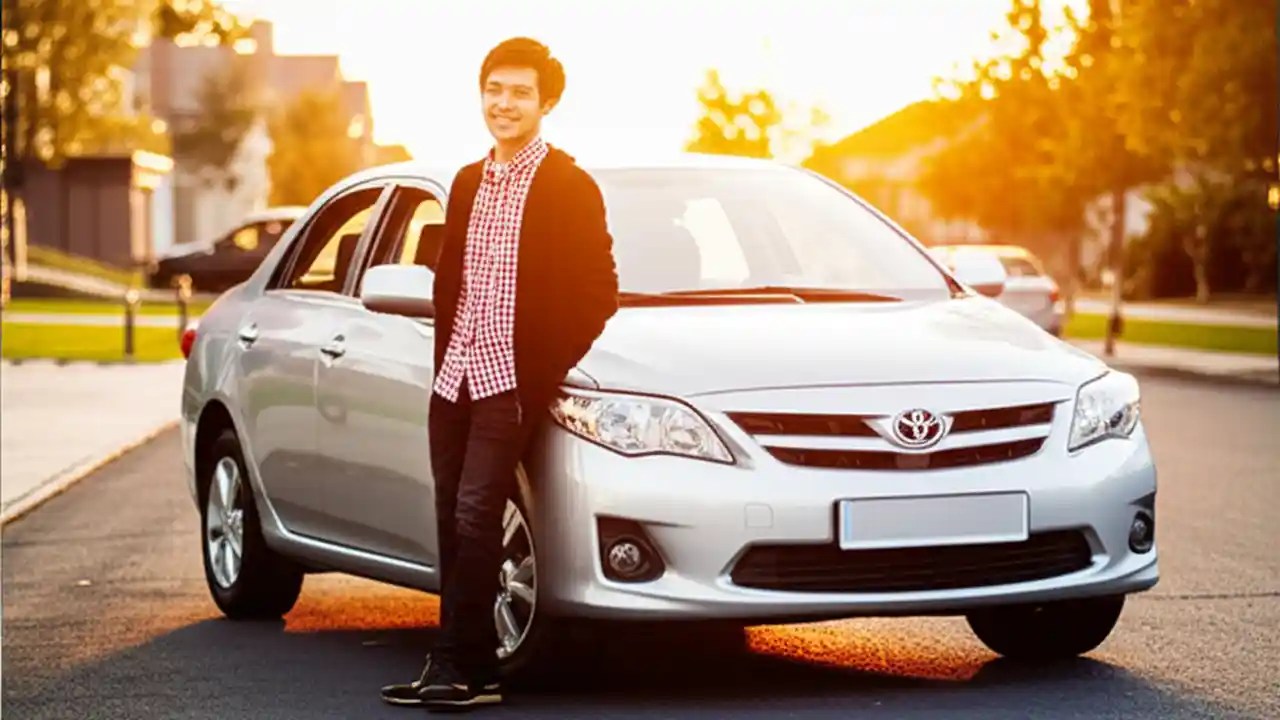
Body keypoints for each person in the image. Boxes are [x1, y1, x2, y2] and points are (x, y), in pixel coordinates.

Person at [379, 37, 619, 711]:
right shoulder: (465, 181)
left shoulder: (569, 186)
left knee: (479, 513)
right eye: (494, 89)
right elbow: (451, 280)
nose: (503, 104)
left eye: (519, 93)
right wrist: (442, 357)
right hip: (452, 378)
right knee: (453, 517)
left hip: (508, 385)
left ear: (547, 102)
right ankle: (467, 665)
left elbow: (599, 290)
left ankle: (457, 662)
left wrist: (538, 372)